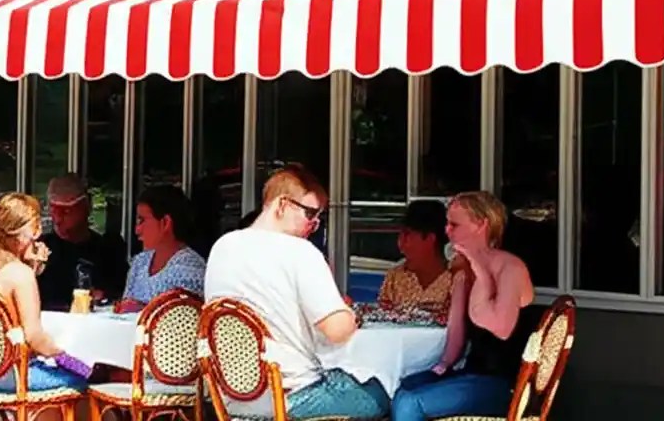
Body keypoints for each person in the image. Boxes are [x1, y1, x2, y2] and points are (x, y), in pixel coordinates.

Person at [205, 167, 388, 420]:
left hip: (232, 399)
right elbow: (337, 330)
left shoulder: (222, 247)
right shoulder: (300, 252)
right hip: (293, 398)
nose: (315, 225)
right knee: (385, 393)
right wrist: (349, 313)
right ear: (282, 205)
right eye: (310, 213)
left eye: (319, 218)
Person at [390, 191, 538, 421]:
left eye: (454, 224)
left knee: (412, 402)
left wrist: (479, 269)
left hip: (506, 383)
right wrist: (442, 367)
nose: (447, 231)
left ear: (481, 225)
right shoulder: (462, 273)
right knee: (400, 390)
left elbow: (500, 327)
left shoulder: (511, 268)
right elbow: (457, 331)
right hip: (470, 372)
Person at [0, 193, 87, 393]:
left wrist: (32, 268)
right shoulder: (19, 274)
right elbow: (34, 337)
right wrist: (72, 360)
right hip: (14, 375)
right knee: (87, 382)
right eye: (37, 229)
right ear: (23, 235)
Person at [378, 201, 468, 376]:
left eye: (408, 235)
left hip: (443, 368)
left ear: (430, 239)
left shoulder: (456, 278)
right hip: (394, 365)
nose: (400, 243)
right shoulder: (395, 277)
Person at [35, 174, 128, 310]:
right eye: (53, 211)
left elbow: (123, 295)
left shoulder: (108, 250)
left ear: (86, 207)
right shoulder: (39, 250)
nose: (58, 219)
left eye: (66, 212)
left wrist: (105, 296)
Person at [115, 185, 206, 312]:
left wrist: (142, 310)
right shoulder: (140, 262)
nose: (137, 230)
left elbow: (182, 320)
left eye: (142, 220)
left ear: (165, 222)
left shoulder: (190, 270)